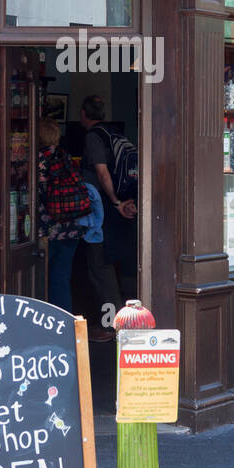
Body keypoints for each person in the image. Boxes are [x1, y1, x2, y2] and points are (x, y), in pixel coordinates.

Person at [79, 94, 137, 339]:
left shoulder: (93, 137)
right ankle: (132, 320)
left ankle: (110, 326)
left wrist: (114, 202)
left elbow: (102, 175)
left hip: (105, 208)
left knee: (99, 266)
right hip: (123, 207)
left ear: (84, 114)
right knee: (121, 263)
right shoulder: (116, 134)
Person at [36, 119, 84, 312]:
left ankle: (41, 326)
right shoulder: (66, 157)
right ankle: (64, 324)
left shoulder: (39, 159)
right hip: (72, 229)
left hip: (48, 230)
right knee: (62, 281)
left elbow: (39, 192)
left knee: (41, 281)